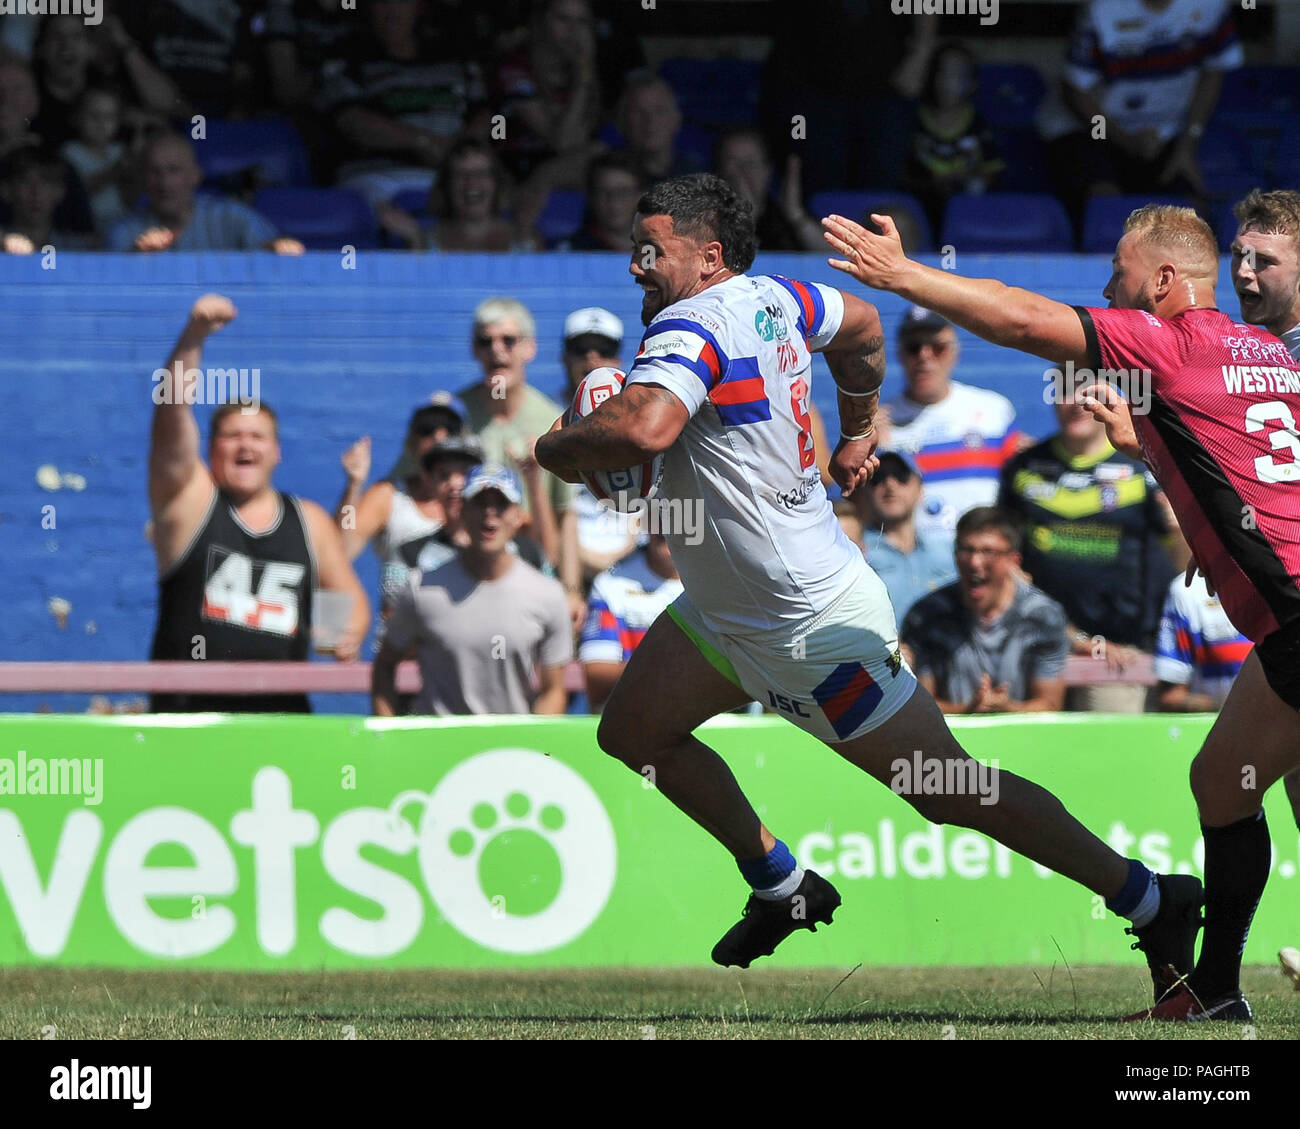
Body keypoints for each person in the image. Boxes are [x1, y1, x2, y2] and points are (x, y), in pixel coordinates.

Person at [536, 173, 1198, 999]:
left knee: (949, 789)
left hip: (811, 628)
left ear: (708, 256)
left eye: (651, 249)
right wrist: (855, 430)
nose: (636, 265)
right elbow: (861, 322)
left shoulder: (691, 321)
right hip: (727, 612)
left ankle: (1149, 896)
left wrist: (556, 448)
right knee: (633, 732)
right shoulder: (779, 298)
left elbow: (643, 428)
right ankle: (781, 883)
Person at [822, 200, 1300, 1022]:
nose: (1105, 285)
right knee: (1225, 782)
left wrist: (906, 276)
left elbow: (1024, 318)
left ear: (1161, 282)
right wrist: (1156, 458)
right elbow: (1241, 453)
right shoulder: (1267, 355)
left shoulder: (1170, 341)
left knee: (1230, 786)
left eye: (1117, 271)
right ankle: (1215, 995)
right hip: (1288, 617)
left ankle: (1217, 993)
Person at [148, 294, 370, 713]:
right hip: (187, 720)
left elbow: (347, 597)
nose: (245, 444)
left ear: (277, 452)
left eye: (257, 436)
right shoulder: (189, 503)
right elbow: (171, 417)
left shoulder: (308, 521)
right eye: (232, 436)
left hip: (279, 725)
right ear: (210, 450)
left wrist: (344, 633)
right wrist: (193, 339)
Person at [998, 389, 1182, 712]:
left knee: (1112, 759)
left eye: (1088, 393)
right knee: (1031, 758)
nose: (1076, 403)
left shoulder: (1145, 465)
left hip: (1119, 656)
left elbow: (1180, 567)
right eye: (1065, 391)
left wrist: (1181, 529)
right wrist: (1069, 634)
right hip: (1039, 649)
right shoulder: (1022, 468)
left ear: (1112, 396)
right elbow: (1003, 559)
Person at [372, 465, 572, 716]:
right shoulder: (422, 588)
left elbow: (553, 690)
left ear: (518, 516)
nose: (490, 515)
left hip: (510, 749)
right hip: (438, 750)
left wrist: (531, 746)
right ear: (462, 511)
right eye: (479, 503)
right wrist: (389, 737)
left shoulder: (548, 595)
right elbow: (384, 665)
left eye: (501, 504)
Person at [1037, 0, 1241, 220]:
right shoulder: (1103, 9)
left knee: (1191, 219)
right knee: (1106, 211)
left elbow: (1213, 72)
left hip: (1164, 134)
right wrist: (1126, 141)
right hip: (1090, 129)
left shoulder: (1211, 5)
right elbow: (1074, 91)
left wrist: (1187, 145)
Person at [460, 297, 583, 625]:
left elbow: (566, 515)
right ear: (474, 350)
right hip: (464, 575)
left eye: (509, 341)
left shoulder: (552, 421)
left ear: (530, 349)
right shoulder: (454, 416)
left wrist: (571, 589)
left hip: (533, 573)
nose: (496, 350)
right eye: (486, 341)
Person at [901, 507, 1068, 715]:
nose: (974, 562)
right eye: (966, 550)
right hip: (948, 738)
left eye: (988, 552)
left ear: (1013, 561)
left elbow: (1050, 705)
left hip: (1022, 738)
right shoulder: (926, 615)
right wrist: (968, 709)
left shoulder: (1042, 616)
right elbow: (919, 706)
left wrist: (1007, 708)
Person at [881, 305, 1020, 547]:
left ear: (955, 352)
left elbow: (1021, 487)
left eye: (937, 348)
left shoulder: (993, 410)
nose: (925, 356)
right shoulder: (880, 422)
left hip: (981, 555)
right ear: (900, 355)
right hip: (915, 559)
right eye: (914, 348)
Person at [107, 132, 305, 253]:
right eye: (154, 172)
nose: (164, 182)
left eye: (173, 170)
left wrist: (276, 249)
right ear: (142, 178)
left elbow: (273, 252)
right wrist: (137, 256)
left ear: (195, 175)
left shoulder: (232, 217)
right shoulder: (125, 230)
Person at [904, 42, 1003, 233]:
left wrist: (963, 178)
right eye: (941, 73)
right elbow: (903, 175)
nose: (947, 82)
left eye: (957, 75)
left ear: (972, 83)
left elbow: (993, 171)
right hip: (922, 208)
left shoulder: (979, 124)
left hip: (970, 211)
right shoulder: (912, 122)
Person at [580, 533, 684, 712]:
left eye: (684, 514)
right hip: (631, 720)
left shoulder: (723, 582)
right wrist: (673, 670)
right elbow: (596, 674)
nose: (669, 522)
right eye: (660, 511)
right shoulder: (610, 584)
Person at [378, 138, 540, 252]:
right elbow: (419, 296)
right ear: (446, 185)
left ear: (497, 184)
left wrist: (524, 231)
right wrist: (415, 240)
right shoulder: (424, 239)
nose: (471, 182)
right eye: (461, 174)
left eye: (481, 173)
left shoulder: (524, 236)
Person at [861, 449, 956, 622]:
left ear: (920, 490)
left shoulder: (950, 551)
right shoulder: (856, 555)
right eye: (878, 477)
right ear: (866, 492)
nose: (890, 484)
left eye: (901, 476)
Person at [714, 128, 822, 253]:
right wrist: (746, 219)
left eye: (751, 163)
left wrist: (796, 215)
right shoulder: (704, 219)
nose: (743, 171)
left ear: (768, 171)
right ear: (719, 171)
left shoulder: (783, 218)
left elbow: (835, 259)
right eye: (733, 162)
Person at [59, 86, 129, 236]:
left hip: (119, 226)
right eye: (94, 116)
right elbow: (74, 192)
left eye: (109, 117)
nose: (101, 124)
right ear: (76, 117)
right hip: (82, 229)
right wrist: (114, 172)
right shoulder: (69, 152)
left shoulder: (120, 151)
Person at [0, 145, 93, 253]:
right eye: (25, 182)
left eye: (45, 183)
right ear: (6, 190)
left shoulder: (81, 250)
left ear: (59, 191)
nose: (36, 193)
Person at [554, 152, 644, 251]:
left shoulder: (659, 247)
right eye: (603, 192)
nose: (613, 201)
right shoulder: (571, 251)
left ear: (640, 195)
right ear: (591, 197)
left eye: (623, 192)